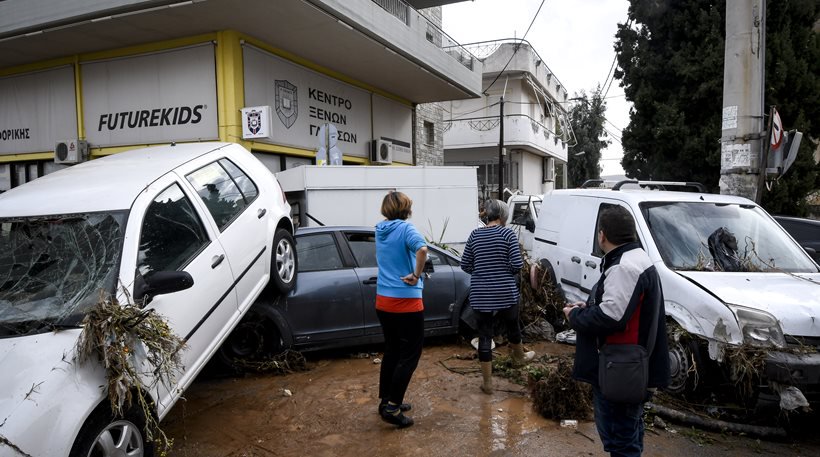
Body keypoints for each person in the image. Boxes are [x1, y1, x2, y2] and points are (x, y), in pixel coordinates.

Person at [562, 205, 669, 457]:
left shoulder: (624, 266)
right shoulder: (636, 258)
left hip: (622, 369)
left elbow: (611, 316)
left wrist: (575, 315)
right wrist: (589, 306)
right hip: (629, 365)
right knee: (629, 435)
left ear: (602, 235)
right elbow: (620, 306)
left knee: (620, 442)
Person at [460, 199, 533, 395]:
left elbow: (465, 265)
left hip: (481, 294)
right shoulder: (507, 234)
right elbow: (517, 265)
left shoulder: (475, 235)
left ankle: (488, 383)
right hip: (505, 291)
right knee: (512, 326)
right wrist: (502, 271)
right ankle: (519, 359)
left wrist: (482, 271)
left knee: (484, 335)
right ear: (502, 216)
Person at [374, 191, 428, 428]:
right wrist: (416, 275)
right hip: (405, 300)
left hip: (383, 300)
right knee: (410, 355)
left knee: (392, 352)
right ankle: (393, 408)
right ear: (406, 209)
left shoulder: (380, 229)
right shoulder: (406, 229)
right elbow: (423, 250)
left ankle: (386, 401)